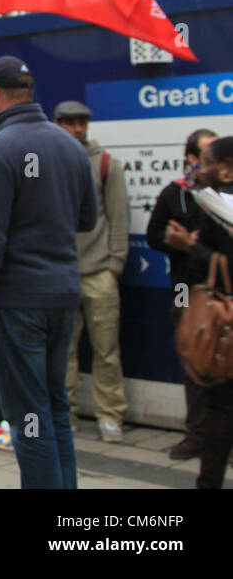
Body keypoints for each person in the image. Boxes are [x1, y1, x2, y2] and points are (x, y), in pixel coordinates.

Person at [0, 56, 97, 489]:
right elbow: (87, 219)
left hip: (17, 303)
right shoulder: (71, 145)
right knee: (55, 409)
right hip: (63, 296)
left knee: (29, 419)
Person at [53, 100, 130, 442]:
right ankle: (65, 412)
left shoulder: (105, 164)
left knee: (106, 350)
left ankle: (110, 414)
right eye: (70, 122)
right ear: (58, 124)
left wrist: (115, 265)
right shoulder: (48, 162)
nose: (78, 128)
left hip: (100, 272)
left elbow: (119, 217)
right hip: (61, 272)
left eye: (82, 122)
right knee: (62, 352)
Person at [145, 127, 217, 459]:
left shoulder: (226, 193)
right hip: (184, 289)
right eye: (207, 154)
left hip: (222, 289)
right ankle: (197, 436)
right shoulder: (175, 193)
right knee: (193, 358)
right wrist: (179, 240)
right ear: (191, 158)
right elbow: (153, 234)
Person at [187, 136, 233, 489]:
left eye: (206, 162)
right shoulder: (204, 201)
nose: (199, 169)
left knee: (220, 410)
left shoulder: (216, 207)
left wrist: (191, 247)